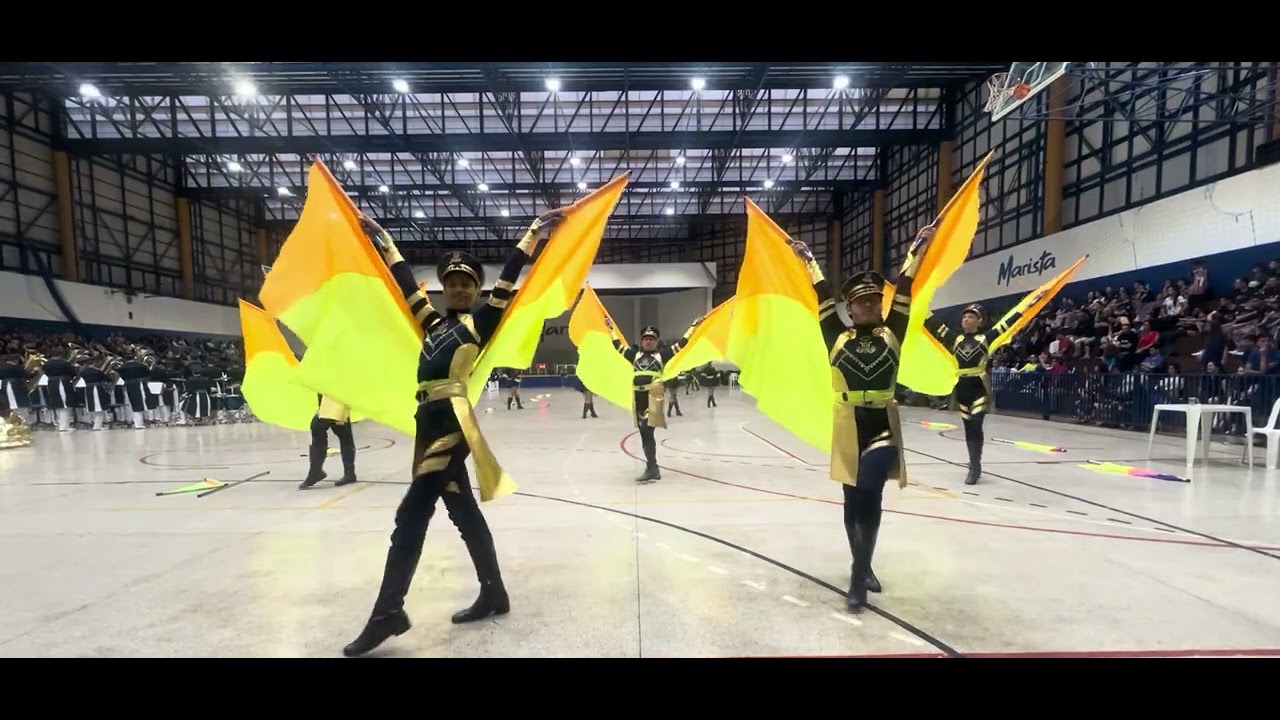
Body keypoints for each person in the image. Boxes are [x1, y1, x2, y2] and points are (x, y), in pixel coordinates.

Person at [342, 208, 565, 657]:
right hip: (426, 423)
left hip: (451, 424)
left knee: (411, 516)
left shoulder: (480, 322)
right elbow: (405, 285)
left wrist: (533, 235)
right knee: (464, 515)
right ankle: (494, 593)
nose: (460, 287)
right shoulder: (431, 324)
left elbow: (509, 279)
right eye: (453, 282)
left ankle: (387, 613)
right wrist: (385, 242)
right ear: (443, 288)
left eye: (468, 283)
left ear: (477, 290)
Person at [788, 225, 934, 612]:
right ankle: (864, 564)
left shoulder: (893, 333)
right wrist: (808, 261)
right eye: (861, 302)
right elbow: (821, 296)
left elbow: (906, 289)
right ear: (849, 309)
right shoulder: (835, 335)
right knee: (853, 502)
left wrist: (917, 250)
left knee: (870, 486)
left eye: (874, 300)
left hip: (882, 424)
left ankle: (857, 579)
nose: (869, 305)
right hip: (847, 425)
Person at [924, 301, 1037, 485]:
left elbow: (1007, 323)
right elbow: (935, 325)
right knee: (969, 428)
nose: (966, 319)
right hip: (962, 389)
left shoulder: (985, 338)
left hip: (979, 388)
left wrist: (1026, 306)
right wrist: (920, 307)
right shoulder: (955, 339)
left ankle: (975, 467)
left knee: (976, 425)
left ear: (980, 321)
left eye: (971, 317)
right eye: (965, 316)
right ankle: (973, 461)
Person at [603, 320, 700, 483]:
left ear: (656, 341)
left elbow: (682, 344)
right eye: (645, 339)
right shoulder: (634, 356)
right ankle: (653, 468)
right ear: (641, 341)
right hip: (638, 398)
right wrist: (610, 328)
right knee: (644, 434)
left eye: (651, 339)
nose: (648, 341)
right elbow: (617, 346)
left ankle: (652, 467)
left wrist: (693, 327)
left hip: (654, 396)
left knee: (646, 429)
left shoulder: (662, 355)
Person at [299, 394, 358, 490]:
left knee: (320, 428)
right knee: (342, 434)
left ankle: (316, 472)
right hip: (328, 398)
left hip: (337, 397)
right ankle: (348, 472)